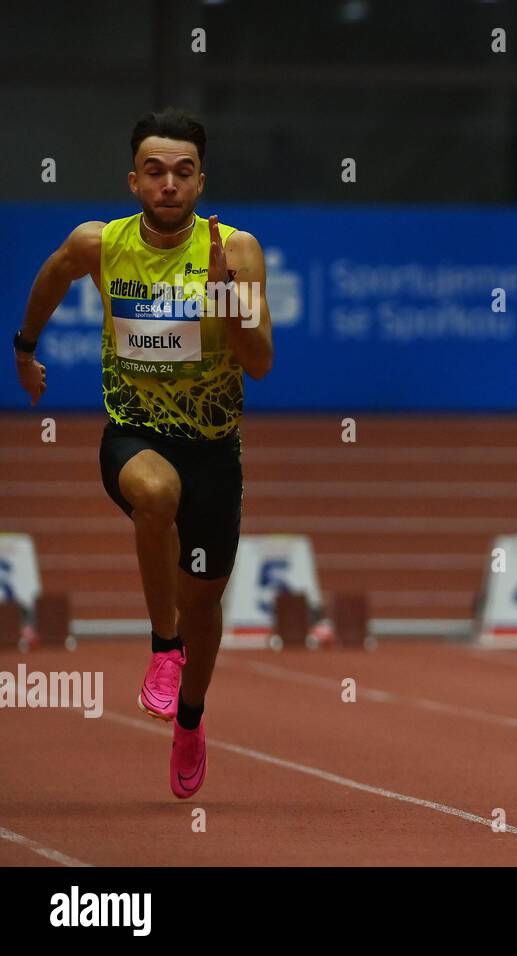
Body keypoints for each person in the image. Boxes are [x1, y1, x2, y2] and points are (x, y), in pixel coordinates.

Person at [13, 107, 274, 798]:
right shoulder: (101, 243)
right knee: (154, 495)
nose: (169, 184)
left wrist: (228, 304)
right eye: (155, 172)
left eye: (182, 173)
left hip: (214, 449)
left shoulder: (237, 252)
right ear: (135, 180)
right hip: (134, 432)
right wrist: (24, 346)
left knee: (206, 604)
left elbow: (261, 363)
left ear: (200, 181)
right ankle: (163, 649)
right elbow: (52, 276)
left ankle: (190, 718)